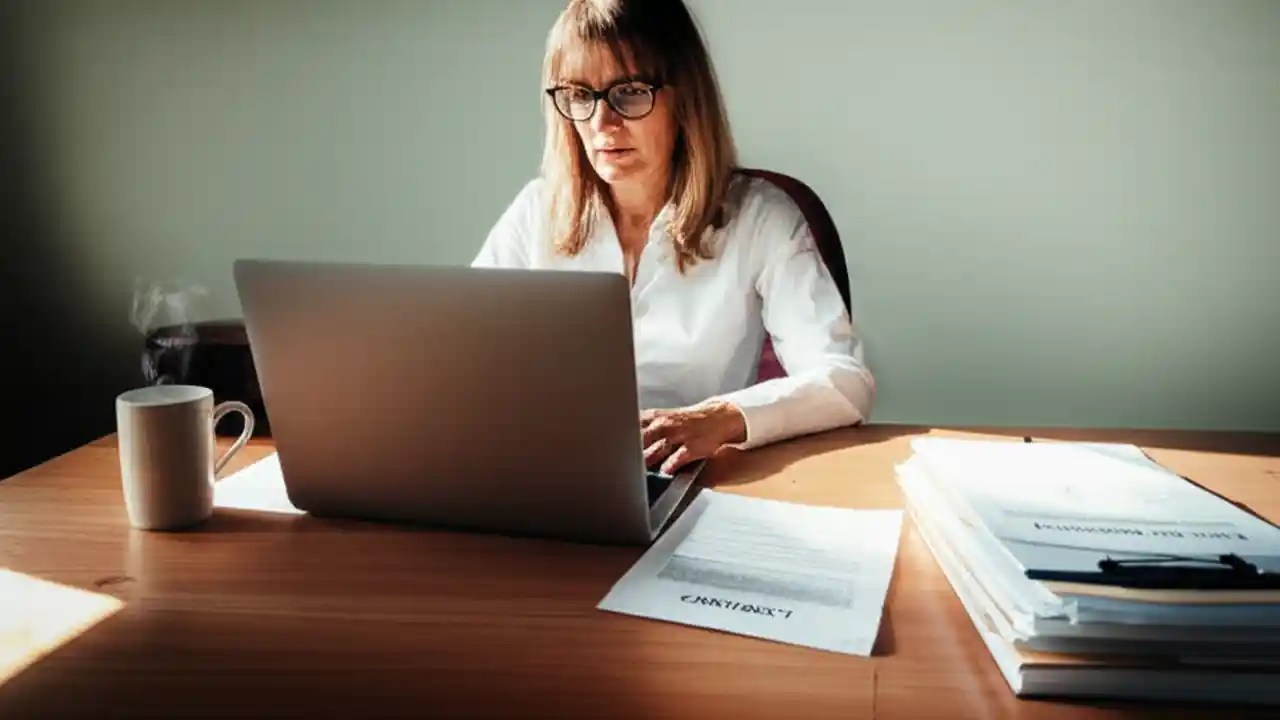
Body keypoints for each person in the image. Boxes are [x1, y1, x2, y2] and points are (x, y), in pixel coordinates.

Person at [473, 0, 874, 475]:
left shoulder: (760, 217)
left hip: (687, 481)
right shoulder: (536, 211)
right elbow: (462, 360)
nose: (602, 123)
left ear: (684, 98)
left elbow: (844, 381)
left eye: (629, 92)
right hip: (548, 474)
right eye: (580, 95)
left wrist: (718, 418)